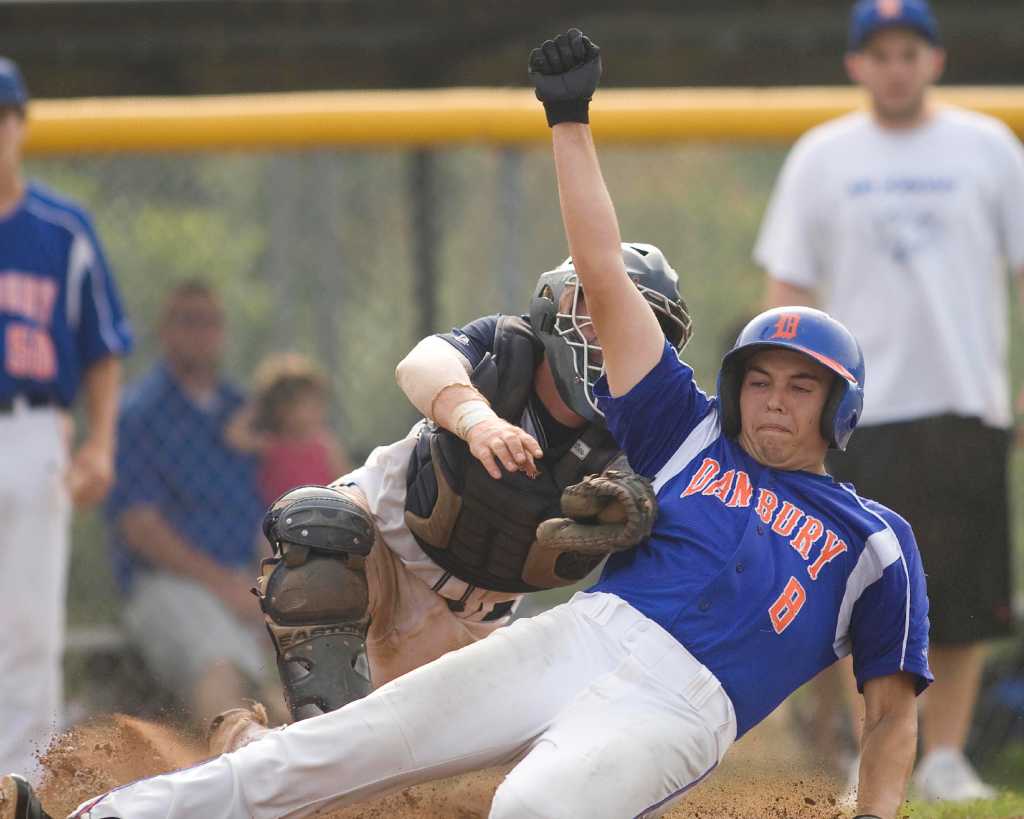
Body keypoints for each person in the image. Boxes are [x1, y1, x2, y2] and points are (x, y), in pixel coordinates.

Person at [0, 29, 931, 819]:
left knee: (532, 807)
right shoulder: (686, 433)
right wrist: (570, 122)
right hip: (581, 632)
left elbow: (891, 714)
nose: (773, 397)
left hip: (681, 700)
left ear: (838, 408)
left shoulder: (877, 542)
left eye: (800, 387)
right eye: (760, 378)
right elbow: (601, 272)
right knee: (330, 750)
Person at [205, 240, 692, 751]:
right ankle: (298, 754)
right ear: (555, 300)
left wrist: (643, 517)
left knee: (503, 758)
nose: (609, 329)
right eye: (595, 305)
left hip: (472, 622)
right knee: (318, 525)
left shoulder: (642, 433)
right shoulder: (506, 346)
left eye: (638, 319)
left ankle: (266, 748)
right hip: (381, 544)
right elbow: (420, 363)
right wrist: (476, 419)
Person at [754, 0, 1024, 801]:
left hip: (965, 397)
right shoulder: (823, 156)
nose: (895, 66)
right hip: (856, 407)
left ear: (934, 60)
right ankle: (869, 750)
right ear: (855, 66)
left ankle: (943, 755)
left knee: (968, 585)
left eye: (910, 51)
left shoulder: (989, 146)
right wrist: (788, 392)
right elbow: (789, 286)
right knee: (850, 585)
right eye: (880, 53)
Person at [0, 57, 133, 780]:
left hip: (30, 429)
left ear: (20, 126)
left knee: (26, 628)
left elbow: (101, 350)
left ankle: (17, 782)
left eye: (0, 119)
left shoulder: (61, 230)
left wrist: (101, 443)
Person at [102, 280, 275, 728]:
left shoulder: (240, 410)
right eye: (188, 321)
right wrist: (225, 588)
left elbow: (267, 512)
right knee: (220, 667)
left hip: (243, 581)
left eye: (212, 322)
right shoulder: (139, 413)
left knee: (290, 681)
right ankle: (235, 782)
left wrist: (271, 580)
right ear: (165, 331)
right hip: (166, 583)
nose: (202, 332)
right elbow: (140, 528)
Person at [224, 352, 352, 506]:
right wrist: (260, 405)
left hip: (319, 514)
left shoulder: (324, 444)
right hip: (280, 517)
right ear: (282, 408)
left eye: (319, 403)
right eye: (307, 404)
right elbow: (233, 436)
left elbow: (345, 483)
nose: (317, 411)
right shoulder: (272, 443)